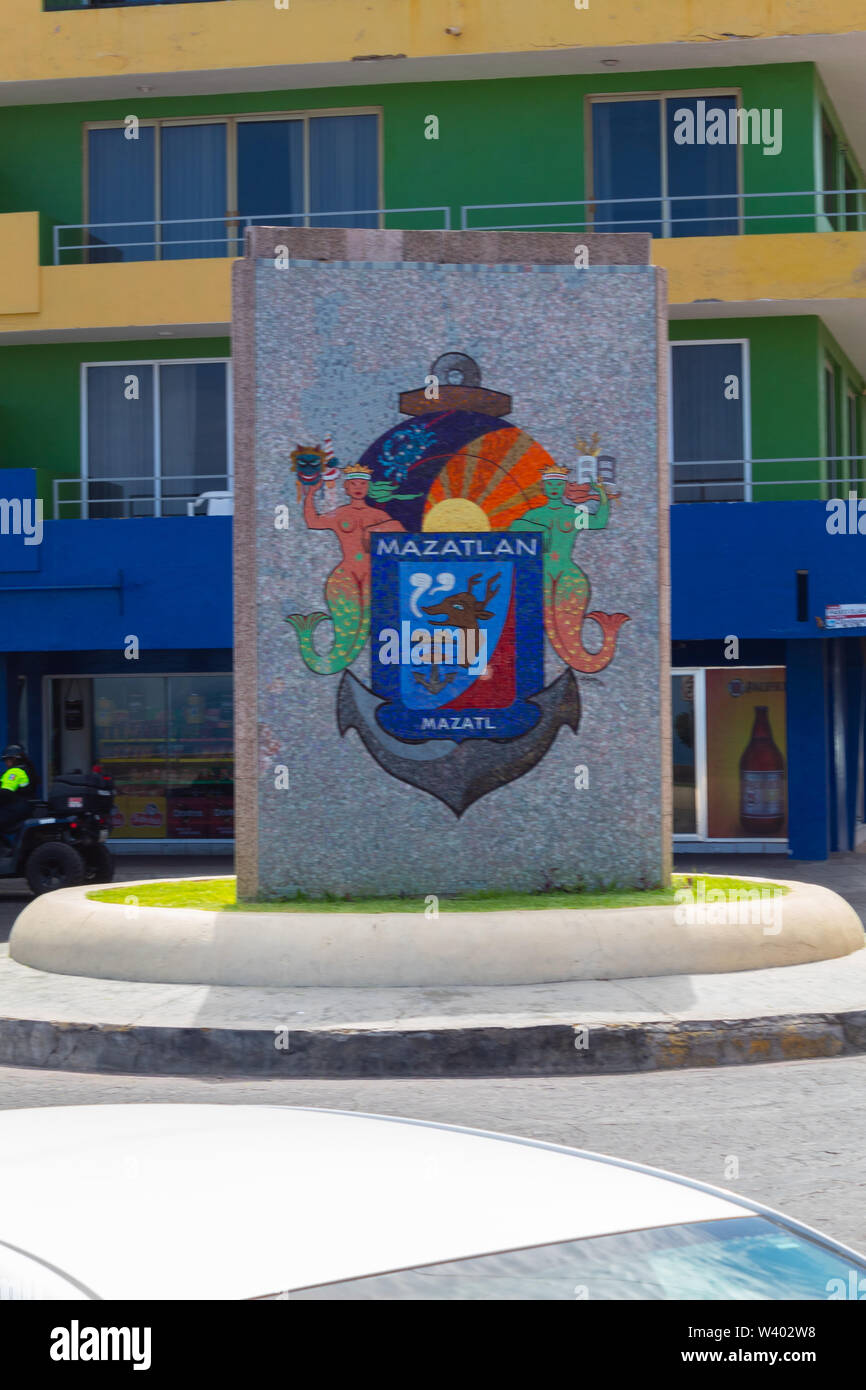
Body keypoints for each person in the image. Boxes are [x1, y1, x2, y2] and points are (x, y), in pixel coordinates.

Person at [0, 743, 37, 839]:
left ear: (15, 759)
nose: (6, 763)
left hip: (15, 809)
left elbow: (5, 792)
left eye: (7, 760)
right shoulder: (27, 770)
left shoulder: (15, 772)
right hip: (23, 808)